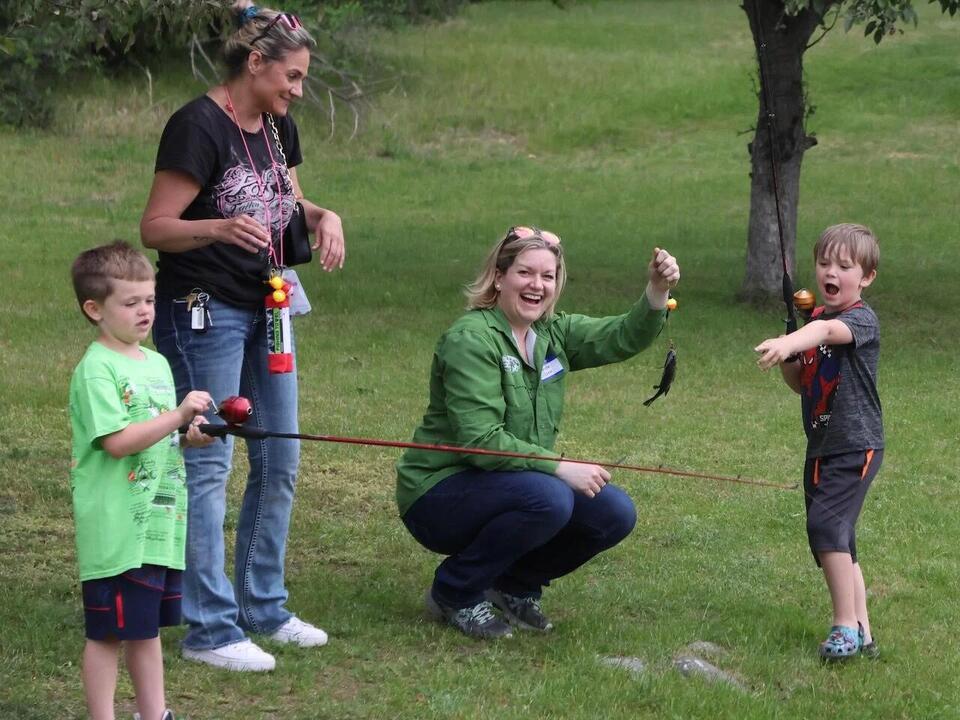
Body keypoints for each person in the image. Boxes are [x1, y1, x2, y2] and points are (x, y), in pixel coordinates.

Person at [140, 4, 344, 671]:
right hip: (205, 309)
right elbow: (156, 226)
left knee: (280, 455)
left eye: (303, 78)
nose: (298, 90)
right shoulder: (197, 126)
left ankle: (264, 609)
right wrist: (218, 228)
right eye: (292, 76)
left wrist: (325, 215)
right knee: (209, 461)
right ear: (256, 63)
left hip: (268, 305)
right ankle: (209, 630)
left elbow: (285, 200)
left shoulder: (277, 126)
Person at [396, 226, 680, 639]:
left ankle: (511, 586)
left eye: (548, 276)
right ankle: (455, 592)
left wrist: (657, 289)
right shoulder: (470, 339)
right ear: (499, 277)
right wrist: (559, 467)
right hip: (438, 494)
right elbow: (480, 441)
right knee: (550, 498)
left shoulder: (552, 333)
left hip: (513, 482)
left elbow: (622, 336)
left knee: (614, 513)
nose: (537, 285)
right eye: (525, 273)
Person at [69, 241, 214, 720]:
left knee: (144, 630)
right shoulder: (96, 369)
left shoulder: (155, 363)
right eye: (130, 303)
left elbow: (157, 434)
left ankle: (155, 714)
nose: (145, 311)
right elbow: (117, 442)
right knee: (107, 634)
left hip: (157, 524)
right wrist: (177, 416)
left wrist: (189, 436)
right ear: (95, 309)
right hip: (116, 530)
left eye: (149, 300)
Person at [754, 223, 883, 661]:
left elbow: (829, 335)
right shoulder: (814, 321)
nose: (831, 271)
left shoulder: (860, 320)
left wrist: (792, 338)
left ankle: (844, 626)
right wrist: (790, 356)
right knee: (839, 538)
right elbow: (801, 383)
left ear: (866, 277)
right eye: (825, 263)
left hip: (855, 444)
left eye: (844, 266)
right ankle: (863, 631)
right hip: (821, 447)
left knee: (826, 528)